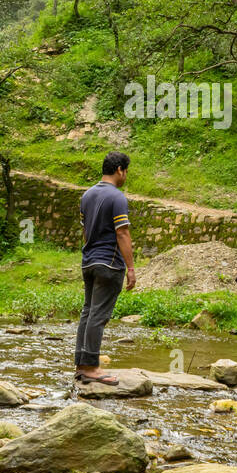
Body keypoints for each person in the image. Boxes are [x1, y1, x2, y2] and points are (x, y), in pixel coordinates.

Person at [74, 150, 136, 385]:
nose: (126, 176)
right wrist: (130, 267)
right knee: (98, 315)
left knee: (88, 312)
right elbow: (122, 232)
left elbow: (85, 231)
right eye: (126, 171)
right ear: (120, 170)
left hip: (88, 261)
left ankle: (81, 364)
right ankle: (91, 368)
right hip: (109, 263)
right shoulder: (117, 197)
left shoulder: (87, 195)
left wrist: (89, 251)